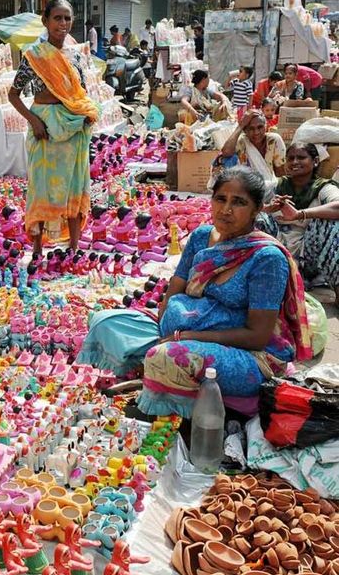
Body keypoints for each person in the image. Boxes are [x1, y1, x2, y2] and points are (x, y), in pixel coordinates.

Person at [77, 167, 312, 418]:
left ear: (256, 209)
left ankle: (170, 401)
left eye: (239, 202)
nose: (226, 210)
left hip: (246, 353)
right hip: (183, 331)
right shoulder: (201, 237)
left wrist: (186, 337)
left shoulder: (266, 258)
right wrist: (168, 328)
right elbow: (172, 293)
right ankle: (163, 373)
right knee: (106, 322)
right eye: (220, 199)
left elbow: (257, 336)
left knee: (168, 356)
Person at [8, 0, 99, 255]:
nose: (63, 23)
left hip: (72, 129)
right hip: (44, 129)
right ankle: (37, 248)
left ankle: (74, 247)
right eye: (57, 18)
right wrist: (34, 120)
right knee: (42, 185)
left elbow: (80, 93)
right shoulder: (34, 56)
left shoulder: (75, 56)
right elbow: (13, 95)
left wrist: (86, 114)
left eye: (67, 18)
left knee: (73, 183)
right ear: (45, 21)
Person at [258, 143, 339, 306]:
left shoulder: (323, 187)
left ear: (315, 161)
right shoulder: (277, 186)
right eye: (291, 158)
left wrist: (299, 214)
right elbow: (244, 200)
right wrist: (266, 208)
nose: (295, 162)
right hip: (276, 253)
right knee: (256, 217)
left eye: (301, 158)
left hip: (308, 259)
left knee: (330, 222)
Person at [221, 111, 286, 192]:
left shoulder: (273, 140)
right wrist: (241, 125)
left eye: (260, 127)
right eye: (251, 128)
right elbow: (226, 152)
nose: (256, 132)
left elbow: (280, 172)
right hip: (247, 189)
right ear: (245, 131)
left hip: (270, 187)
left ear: (265, 127)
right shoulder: (242, 142)